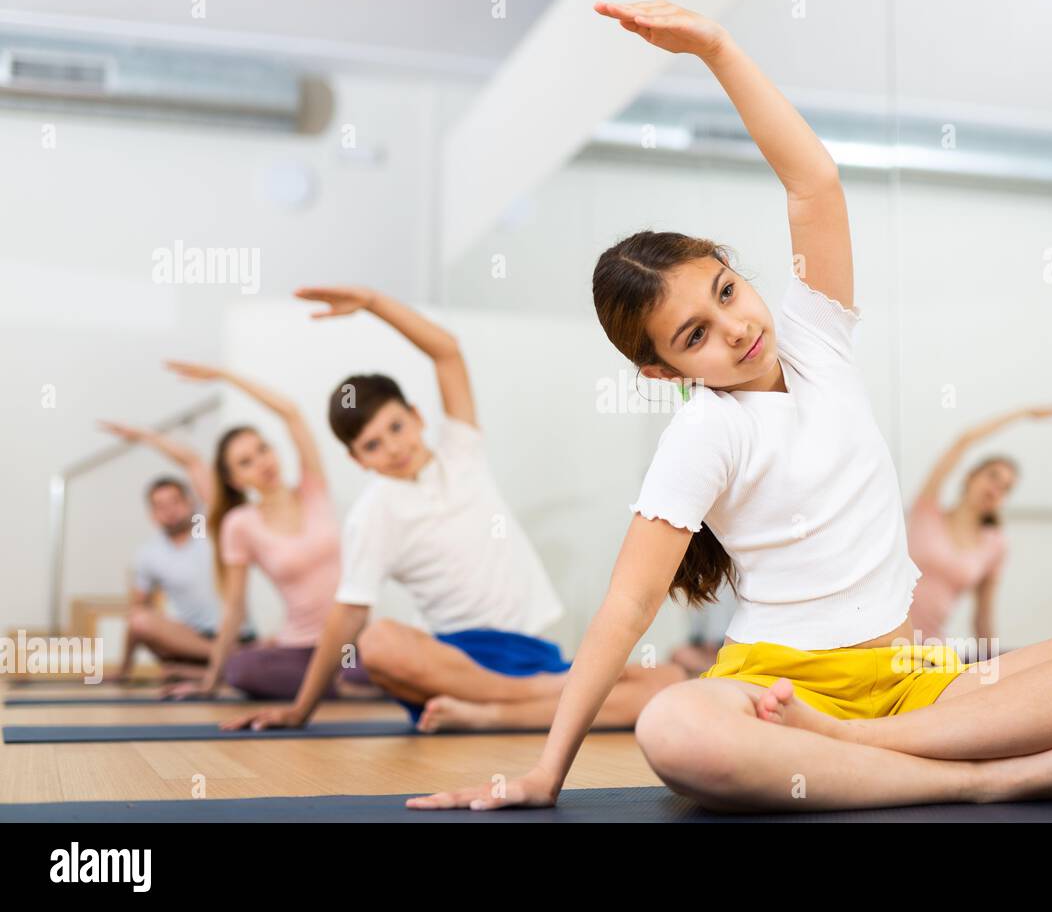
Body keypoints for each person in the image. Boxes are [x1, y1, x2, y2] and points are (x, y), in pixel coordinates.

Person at [408, 0, 1052, 814]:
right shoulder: (705, 431)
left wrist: (716, 48)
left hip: (910, 682)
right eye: (696, 335)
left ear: (737, 270)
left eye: (727, 291)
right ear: (660, 370)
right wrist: (548, 772)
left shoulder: (815, 338)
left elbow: (813, 182)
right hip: (772, 688)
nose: (736, 328)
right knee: (673, 729)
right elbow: (626, 606)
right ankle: (980, 775)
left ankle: (857, 749)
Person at [220, 286, 685, 735]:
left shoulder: (461, 451)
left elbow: (446, 352)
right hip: (455, 660)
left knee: (666, 682)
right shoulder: (372, 514)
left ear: (419, 416)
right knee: (377, 643)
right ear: (357, 460)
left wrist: (373, 302)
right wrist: (302, 709)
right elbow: (347, 615)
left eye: (397, 427)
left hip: (530, 652)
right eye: (373, 445)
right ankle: (547, 698)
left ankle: (494, 714)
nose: (394, 447)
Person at [158, 362, 373, 701]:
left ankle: (338, 684)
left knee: (387, 654)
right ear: (234, 480)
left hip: (352, 644)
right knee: (241, 669)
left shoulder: (313, 489)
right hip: (301, 649)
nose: (261, 462)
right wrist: (212, 681)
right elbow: (234, 607)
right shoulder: (240, 524)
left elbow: (291, 413)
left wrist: (226, 375)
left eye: (262, 449)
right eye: (245, 462)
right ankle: (337, 686)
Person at [98, 422, 256, 682]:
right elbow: (138, 611)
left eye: (175, 502)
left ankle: (220, 663)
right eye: (160, 506)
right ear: (152, 515)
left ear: (190, 502)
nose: (169, 510)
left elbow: (193, 462)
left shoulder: (209, 527)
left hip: (234, 635)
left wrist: (144, 435)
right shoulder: (149, 554)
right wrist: (123, 668)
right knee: (139, 620)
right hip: (191, 643)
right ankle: (220, 662)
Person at [906, 406, 1052, 652]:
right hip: (886, 642)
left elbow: (982, 616)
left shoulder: (995, 545)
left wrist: (995, 666)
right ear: (971, 476)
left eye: (1005, 488)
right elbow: (964, 441)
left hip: (930, 653)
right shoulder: (926, 511)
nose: (995, 489)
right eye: (992, 476)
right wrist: (1023, 414)